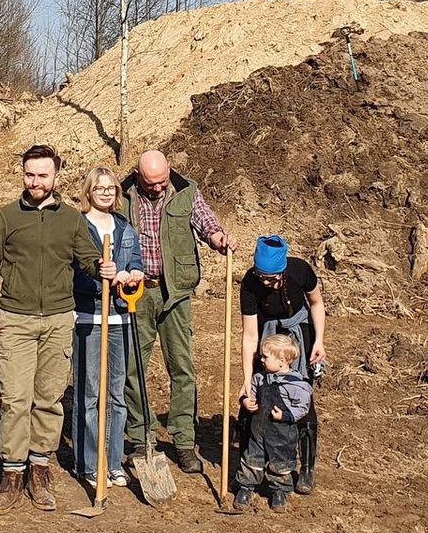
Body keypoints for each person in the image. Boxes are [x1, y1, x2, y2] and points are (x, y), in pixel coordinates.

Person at [0, 145, 101, 513]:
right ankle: (12, 475)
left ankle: (40, 470)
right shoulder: (6, 216)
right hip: (16, 318)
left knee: (48, 398)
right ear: (23, 174)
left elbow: (89, 261)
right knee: (15, 399)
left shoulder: (72, 220)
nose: (35, 182)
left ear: (56, 176)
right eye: (30, 174)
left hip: (60, 320)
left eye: (43, 175)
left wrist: (109, 271)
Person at [120, 149, 230, 474]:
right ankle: (142, 436)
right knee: (132, 367)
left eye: (161, 181)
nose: (156, 188)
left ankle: (184, 441)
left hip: (176, 293)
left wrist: (218, 236)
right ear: (139, 176)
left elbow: (206, 221)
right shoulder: (123, 196)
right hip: (136, 293)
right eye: (150, 183)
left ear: (169, 169)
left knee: (182, 368)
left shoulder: (186, 191)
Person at [71, 165, 144, 491]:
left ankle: (113, 463)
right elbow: (75, 271)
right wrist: (101, 274)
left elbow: (137, 263)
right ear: (88, 192)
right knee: (88, 394)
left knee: (116, 394)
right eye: (99, 187)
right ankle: (88, 462)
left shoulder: (126, 228)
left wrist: (134, 275)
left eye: (110, 188)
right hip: (89, 318)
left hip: (120, 319)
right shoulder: (78, 227)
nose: (105, 192)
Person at [238, 233, 328, 495]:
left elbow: (316, 302)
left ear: (282, 271)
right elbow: (250, 335)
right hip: (267, 337)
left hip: (300, 334)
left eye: (271, 278)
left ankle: (306, 469)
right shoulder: (250, 284)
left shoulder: (300, 270)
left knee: (301, 396)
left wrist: (319, 341)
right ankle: (248, 465)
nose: (265, 282)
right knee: (254, 395)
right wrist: (246, 378)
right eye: (261, 276)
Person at [234, 332, 313, 511]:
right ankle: (245, 487)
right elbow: (249, 392)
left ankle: (279, 491)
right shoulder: (259, 378)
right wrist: (246, 401)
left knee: (281, 461)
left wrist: (286, 415)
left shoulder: (296, 384)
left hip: (282, 433)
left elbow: (302, 407)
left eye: (265, 356)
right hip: (258, 429)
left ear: (282, 360)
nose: (261, 359)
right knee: (252, 458)